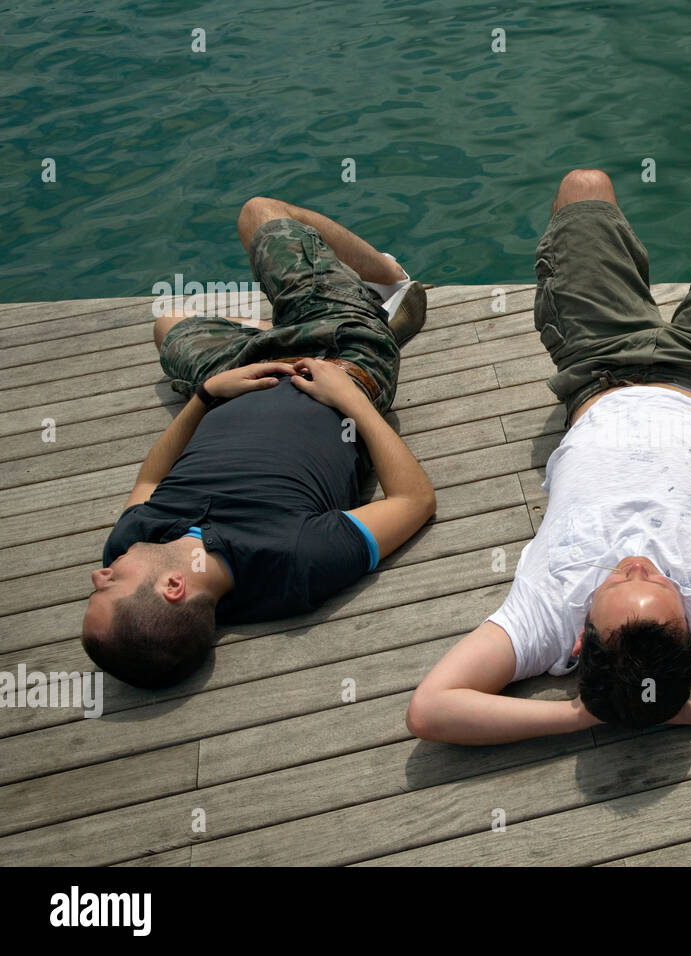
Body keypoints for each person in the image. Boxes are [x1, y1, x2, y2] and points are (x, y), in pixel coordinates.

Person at [406, 169, 691, 745]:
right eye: (659, 584)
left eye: (617, 584)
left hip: (600, 369)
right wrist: (683, 712)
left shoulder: (548, 616)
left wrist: (578, 715)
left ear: (581, 640)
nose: (638, 563)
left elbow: (431, 709)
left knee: (582, 187)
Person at [83, 197, 436, 689]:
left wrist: (206, 397)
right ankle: (387, 286)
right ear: (173, 586)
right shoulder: (296, 559)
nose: (99, 576)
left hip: (233, 379)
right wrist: (350, 398)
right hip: (341, 359)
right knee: (260, 214)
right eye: (110, 586)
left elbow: (150, 478)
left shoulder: (130, 543)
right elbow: (414, 499)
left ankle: (277, 329)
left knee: (167, 327)